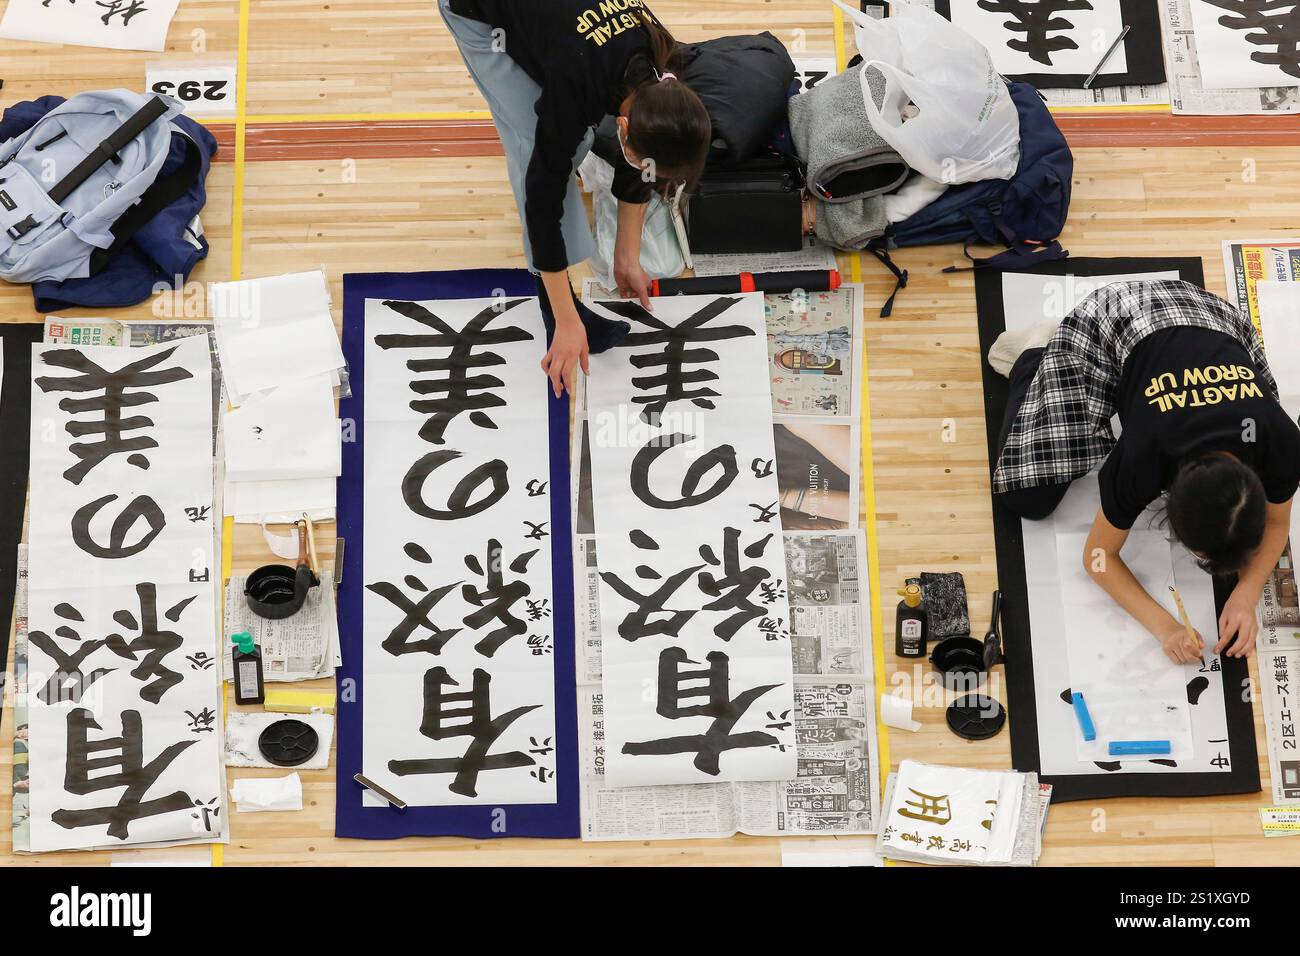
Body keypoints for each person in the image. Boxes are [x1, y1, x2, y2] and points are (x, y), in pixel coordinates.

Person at [988, 278, 1300, 663]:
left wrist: (1246, 594)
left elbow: (1275, 525)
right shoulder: (1146, 454)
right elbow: (1098, 557)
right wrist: (1164, 626)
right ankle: (1035, 353)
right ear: (1167, 503)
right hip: (1117, 317)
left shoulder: (1279, 440)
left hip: (1208, 319)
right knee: (1026, 497)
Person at [439, 0, 712, 396]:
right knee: (534, 143)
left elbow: (639, 155)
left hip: (559, 25)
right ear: (622, 126)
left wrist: (627, 255)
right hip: (477, 11)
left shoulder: (662, 63)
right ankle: (554, 307)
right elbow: (543, 197)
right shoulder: (578, 80)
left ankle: (562, 303)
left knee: (572, 137)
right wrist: (568, 321)